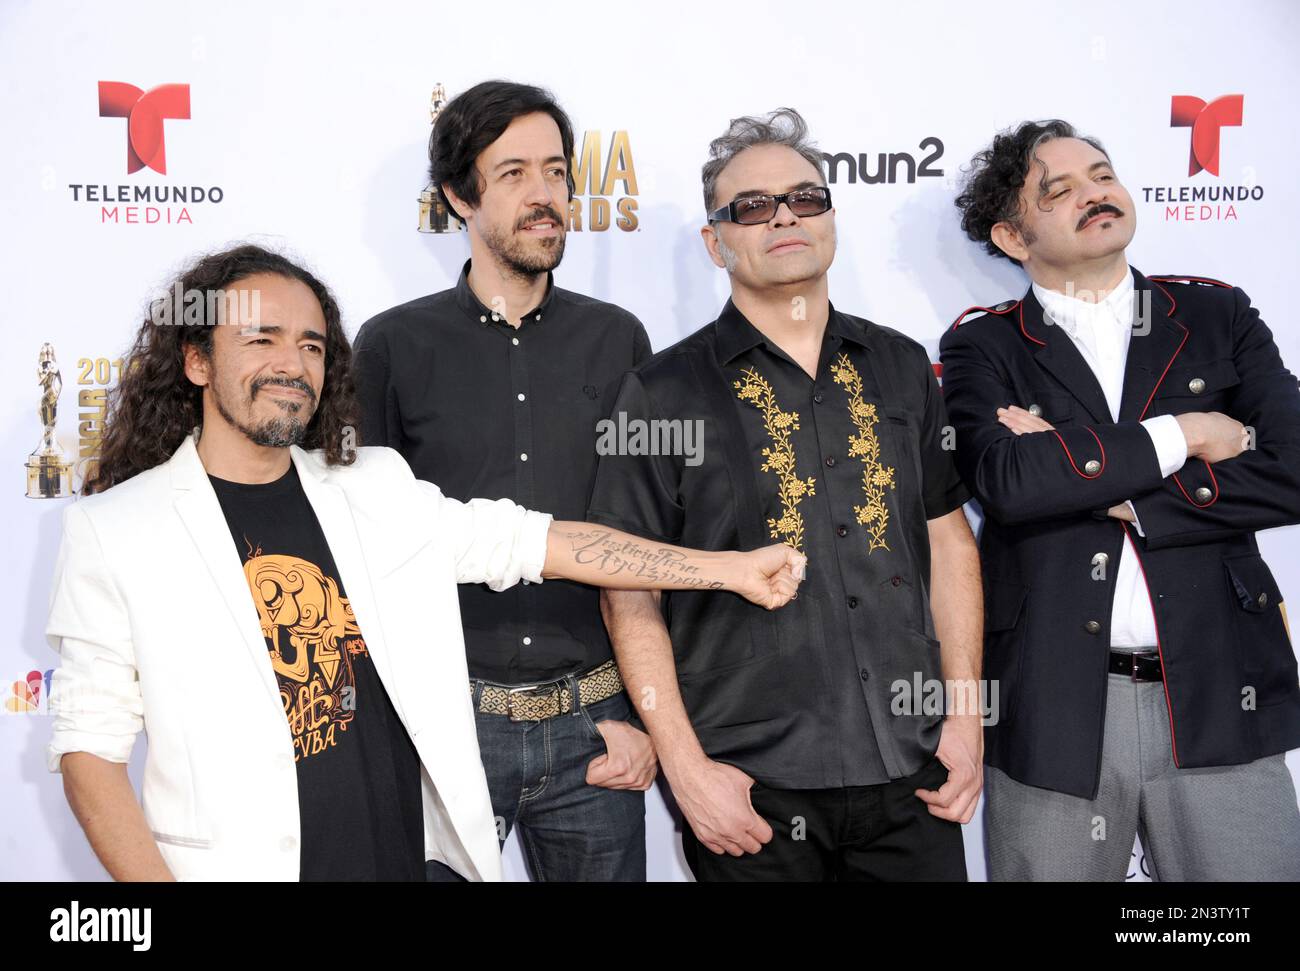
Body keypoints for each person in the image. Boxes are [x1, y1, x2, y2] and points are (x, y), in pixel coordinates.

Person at [45, 243, 804, 882]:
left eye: (310, 344)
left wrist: (726, 569)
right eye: (262, 339)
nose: (292, 364)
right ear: (198, 360)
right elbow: (90, 752)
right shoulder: (115, 530)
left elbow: (545, 543)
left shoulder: (374, 488)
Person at [588, 109, 983, 882]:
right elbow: (625, 587)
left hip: (913, 771)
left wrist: (967, 717)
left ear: (830, 215)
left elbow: (949, 543)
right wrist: (686, 769)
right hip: (750, 795)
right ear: (715, 240)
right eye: (752, 206)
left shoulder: (902, 367)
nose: (784, 218)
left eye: (805, 197)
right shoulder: (662, 390)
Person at [940, 119, 1300, 880]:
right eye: (1058, 189)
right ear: (1012, 236)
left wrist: (1120, 496)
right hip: (1052, 705)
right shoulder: (984, 346)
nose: (1094, 194)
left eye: (1101, 174)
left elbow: (1294, 467)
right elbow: (1008, 482)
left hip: (1218, 689)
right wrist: (1189, 431)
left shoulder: (1214, 315)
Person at [352, 81, 655, 881]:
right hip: (444, 727)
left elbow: (642, 538)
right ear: (459, 194)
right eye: (514, 173)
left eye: (555, 172)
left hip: (596, 729)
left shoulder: (619, 339)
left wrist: (642, 713)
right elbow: (363, 545)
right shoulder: (391, 345)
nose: (545, 195)